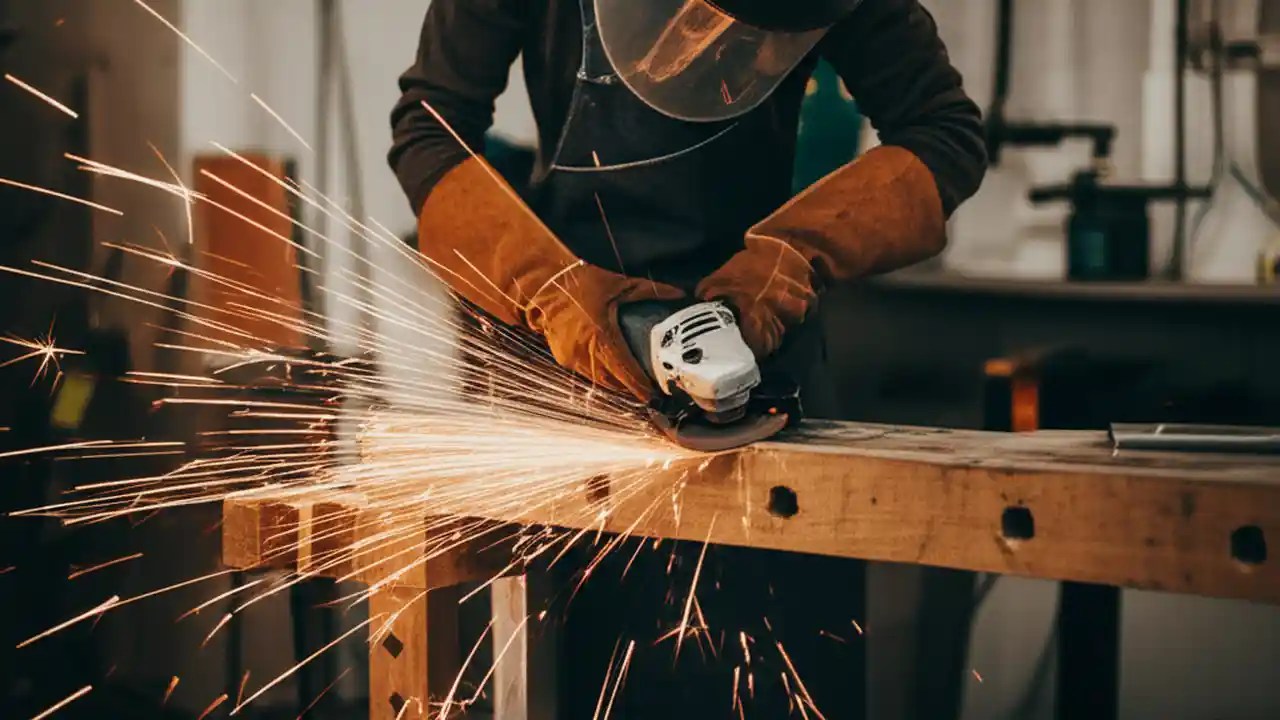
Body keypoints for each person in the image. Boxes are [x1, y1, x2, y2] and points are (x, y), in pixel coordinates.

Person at [390, 0, 986, 716]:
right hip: (581, 352)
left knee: (790, 679)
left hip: (762, 358)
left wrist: (791, 258)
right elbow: (430, 126)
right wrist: (541, 282)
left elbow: (945, 133)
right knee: (605, 678)